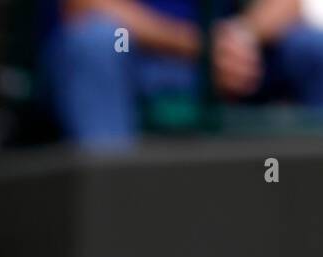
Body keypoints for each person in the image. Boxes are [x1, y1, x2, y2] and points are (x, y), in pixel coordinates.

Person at [41, 0, 323, 147]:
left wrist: (238, 39)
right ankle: (114, 216)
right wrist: (199, 46)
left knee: (313, 46)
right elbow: (84, 6)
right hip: (133, 58)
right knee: (95, 43)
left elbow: (289, 4)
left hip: (231, 63)